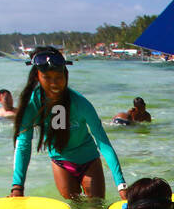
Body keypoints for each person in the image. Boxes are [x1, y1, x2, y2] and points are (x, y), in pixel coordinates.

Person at [10, 46, 126, 201]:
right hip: (61, 162)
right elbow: (24, 144)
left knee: (96, 208)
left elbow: (103, 142)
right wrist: (17, 187)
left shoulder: (80, 103)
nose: (54, 83)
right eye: (47, 77)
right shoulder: (32, 105)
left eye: (58, 77)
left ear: (66, 75)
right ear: (37, 77)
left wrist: (121, 184)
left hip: (89, 159)